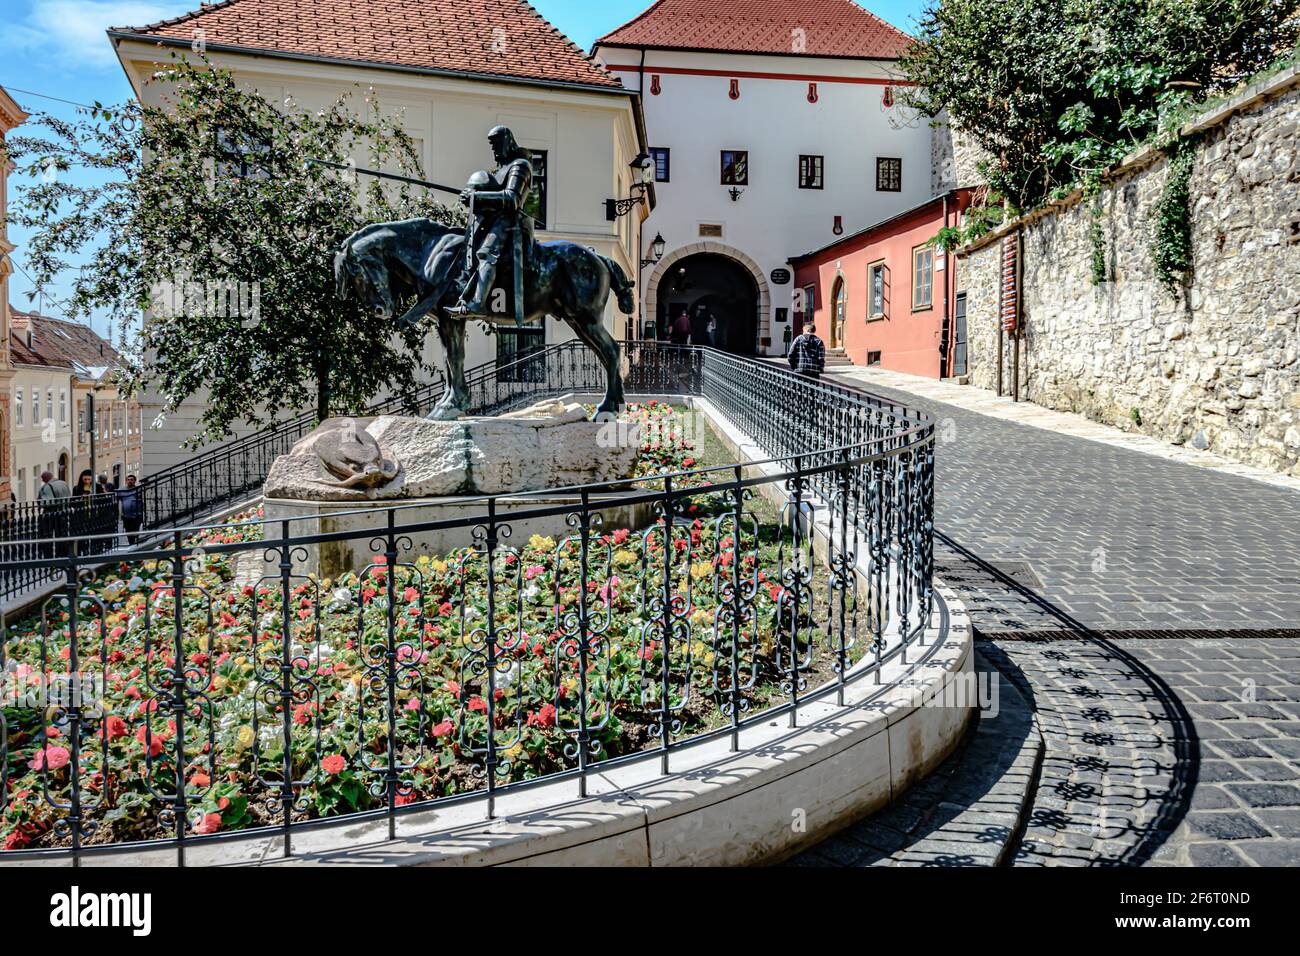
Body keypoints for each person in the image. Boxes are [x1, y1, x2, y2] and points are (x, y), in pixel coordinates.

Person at [446, 126, 534, 320]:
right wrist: (471, 197)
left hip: (510, 223)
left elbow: (512, 199)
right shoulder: (501, 170)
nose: (494, 149)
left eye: (496, 144)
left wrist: (477, 197)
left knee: (486, 253)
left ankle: (478, 304)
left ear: (508, 141)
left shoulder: (520, 165)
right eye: (491, 145)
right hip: (493, 221)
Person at [37, 470, 72, 558]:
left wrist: (39, 501)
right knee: (62, 534)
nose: (42, 481)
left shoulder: (47, 487)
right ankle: (64, 553)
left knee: (48, 535)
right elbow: (69, 496)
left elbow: (47, 502)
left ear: (45, 478)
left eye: (42, 479)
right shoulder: (63, 483)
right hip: (64, 512)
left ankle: (50, 556)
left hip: (53, 514)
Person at [117, 474, 144, 546]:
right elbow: (116, 498)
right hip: (126, 515)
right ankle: (131, 544)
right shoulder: (122, 490)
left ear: (135, 481)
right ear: (126, 481)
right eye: (128, 480)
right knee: (128, 530)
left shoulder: (139, 489)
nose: (130, 481)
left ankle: (135, 542)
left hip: (137, 514)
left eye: (132, 480)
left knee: (135, 529)